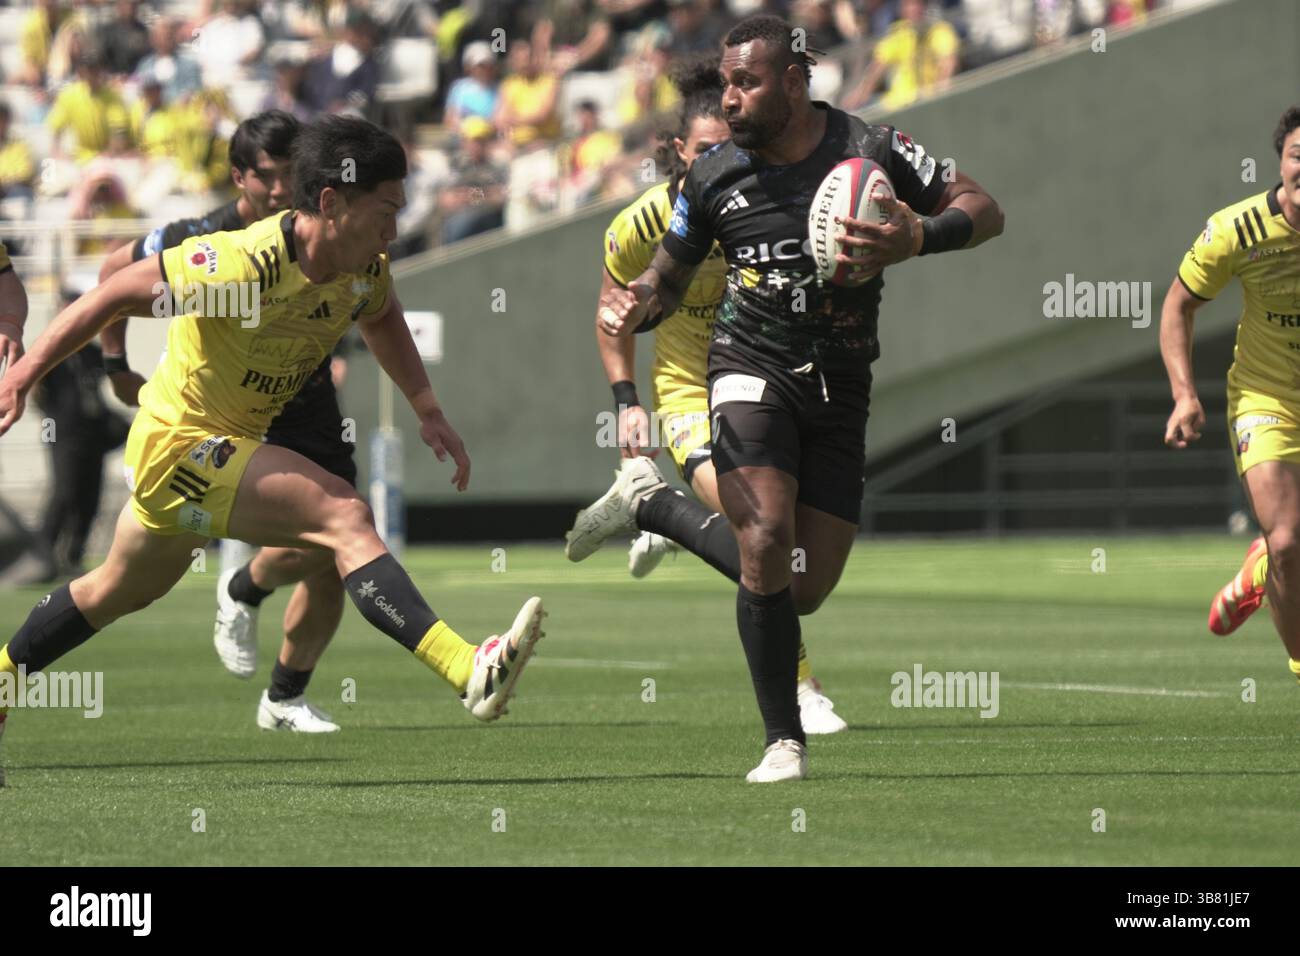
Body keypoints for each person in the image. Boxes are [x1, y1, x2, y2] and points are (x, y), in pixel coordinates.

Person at [0, 116, 546, 787]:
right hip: (182, 448)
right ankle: (469, 670)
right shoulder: (240, 264)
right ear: (329, 202)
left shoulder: (361, 269)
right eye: (385, 211)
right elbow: (114, 291)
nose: (394, 229)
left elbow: (380, 315)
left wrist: (428, 409)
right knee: (344, 517)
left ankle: (1, 681)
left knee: (110, 592)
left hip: (204, 463)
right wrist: (25, 375)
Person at [591, 15, 1003, 781]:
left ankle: (654, 508)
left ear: (792, 79)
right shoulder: (713, 175)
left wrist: (918, 237)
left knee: (803, 585)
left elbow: (983, 208)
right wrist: (637, 302)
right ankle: (784, 739)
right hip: (750, 368)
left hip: (842, 382)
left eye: (746, 82)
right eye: (726, 83)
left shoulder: (873, 149)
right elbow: (667, 279)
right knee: (764, 534)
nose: (732, 98)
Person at [566, 55, 849, 735]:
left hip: (771, 383)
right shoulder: (643, 224)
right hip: (691, 389)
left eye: (728, 146)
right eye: (704, 152)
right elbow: (612, 313)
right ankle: (801, 690)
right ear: (675, 153)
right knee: (762, 536)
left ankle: (655, 511)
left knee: (794, 552)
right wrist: (627, 400)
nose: (719, 161)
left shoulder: (770, 199)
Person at [99, 111, 356, 731]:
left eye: (291, 174)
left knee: (335, 555)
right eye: (267, 176)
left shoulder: (316, 232)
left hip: (303, 401)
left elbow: (352, 296)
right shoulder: (203, 237)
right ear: (239, 178)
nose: (278, 189)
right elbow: (112, 271)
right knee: (135, 577)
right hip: (219, 408)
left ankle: (282, 690)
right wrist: (113, 364)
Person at [1164, 106, 1300, 688]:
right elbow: (1178, 305)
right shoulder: (1236, 231)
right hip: (1266, 398)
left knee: (1285, 544)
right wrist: (1184, 395)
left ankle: (1255, 574)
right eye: (1299, 156)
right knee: (1292, 541)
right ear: (1281, 161)